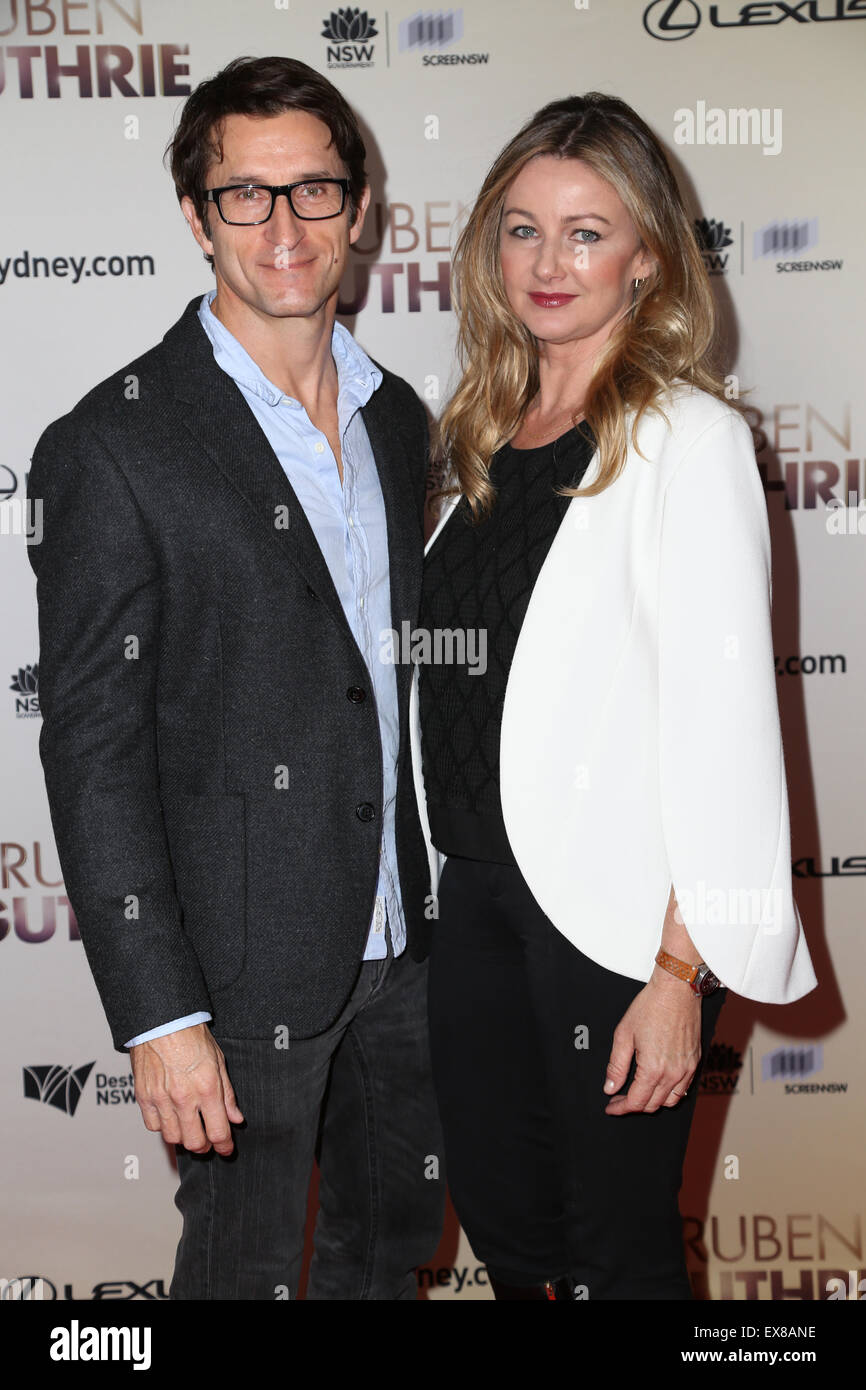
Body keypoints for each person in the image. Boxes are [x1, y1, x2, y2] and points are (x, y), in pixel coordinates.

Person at [27, 55, 444, 1301]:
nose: (283, 228)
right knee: (246, 1274)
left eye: (313, 191)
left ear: (360, 208)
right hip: (233, 972)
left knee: (388, 1255)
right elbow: (91, 750)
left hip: (406, 948)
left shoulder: (399, 419)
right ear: (196, 216)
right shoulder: (113, 442)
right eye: (245, 196)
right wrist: (162, 1018)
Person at [410, 92, 817, 1301]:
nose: (548, 262)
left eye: (586, 232)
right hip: (472, 897)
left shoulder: (683, 438)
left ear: (646, 258)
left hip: (611, 926)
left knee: (617, 1255)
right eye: (522, 228)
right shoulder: (475, 435)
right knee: (513, 1234)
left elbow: (726, 729)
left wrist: (678, 975)